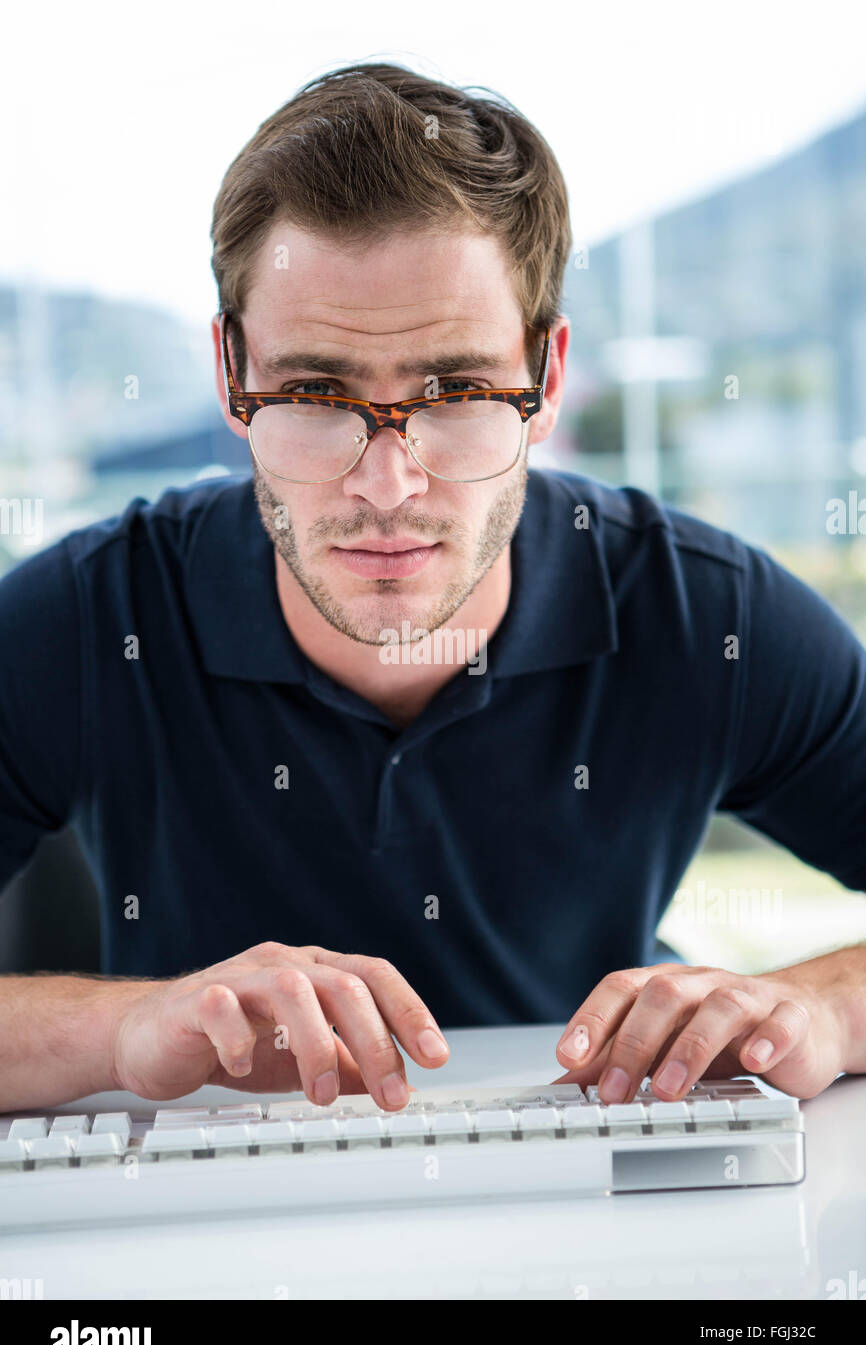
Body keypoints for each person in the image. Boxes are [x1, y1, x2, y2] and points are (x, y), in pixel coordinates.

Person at [1, 63, 863, 1116]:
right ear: (231, 375)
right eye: (315, 390)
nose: (388, 484)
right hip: (206, 1194)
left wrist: (823, 1006)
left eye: (454, 391)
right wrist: (120, 1028)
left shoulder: (708, 614)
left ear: (546, 379)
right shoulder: (87, 619)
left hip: (598, 1181)